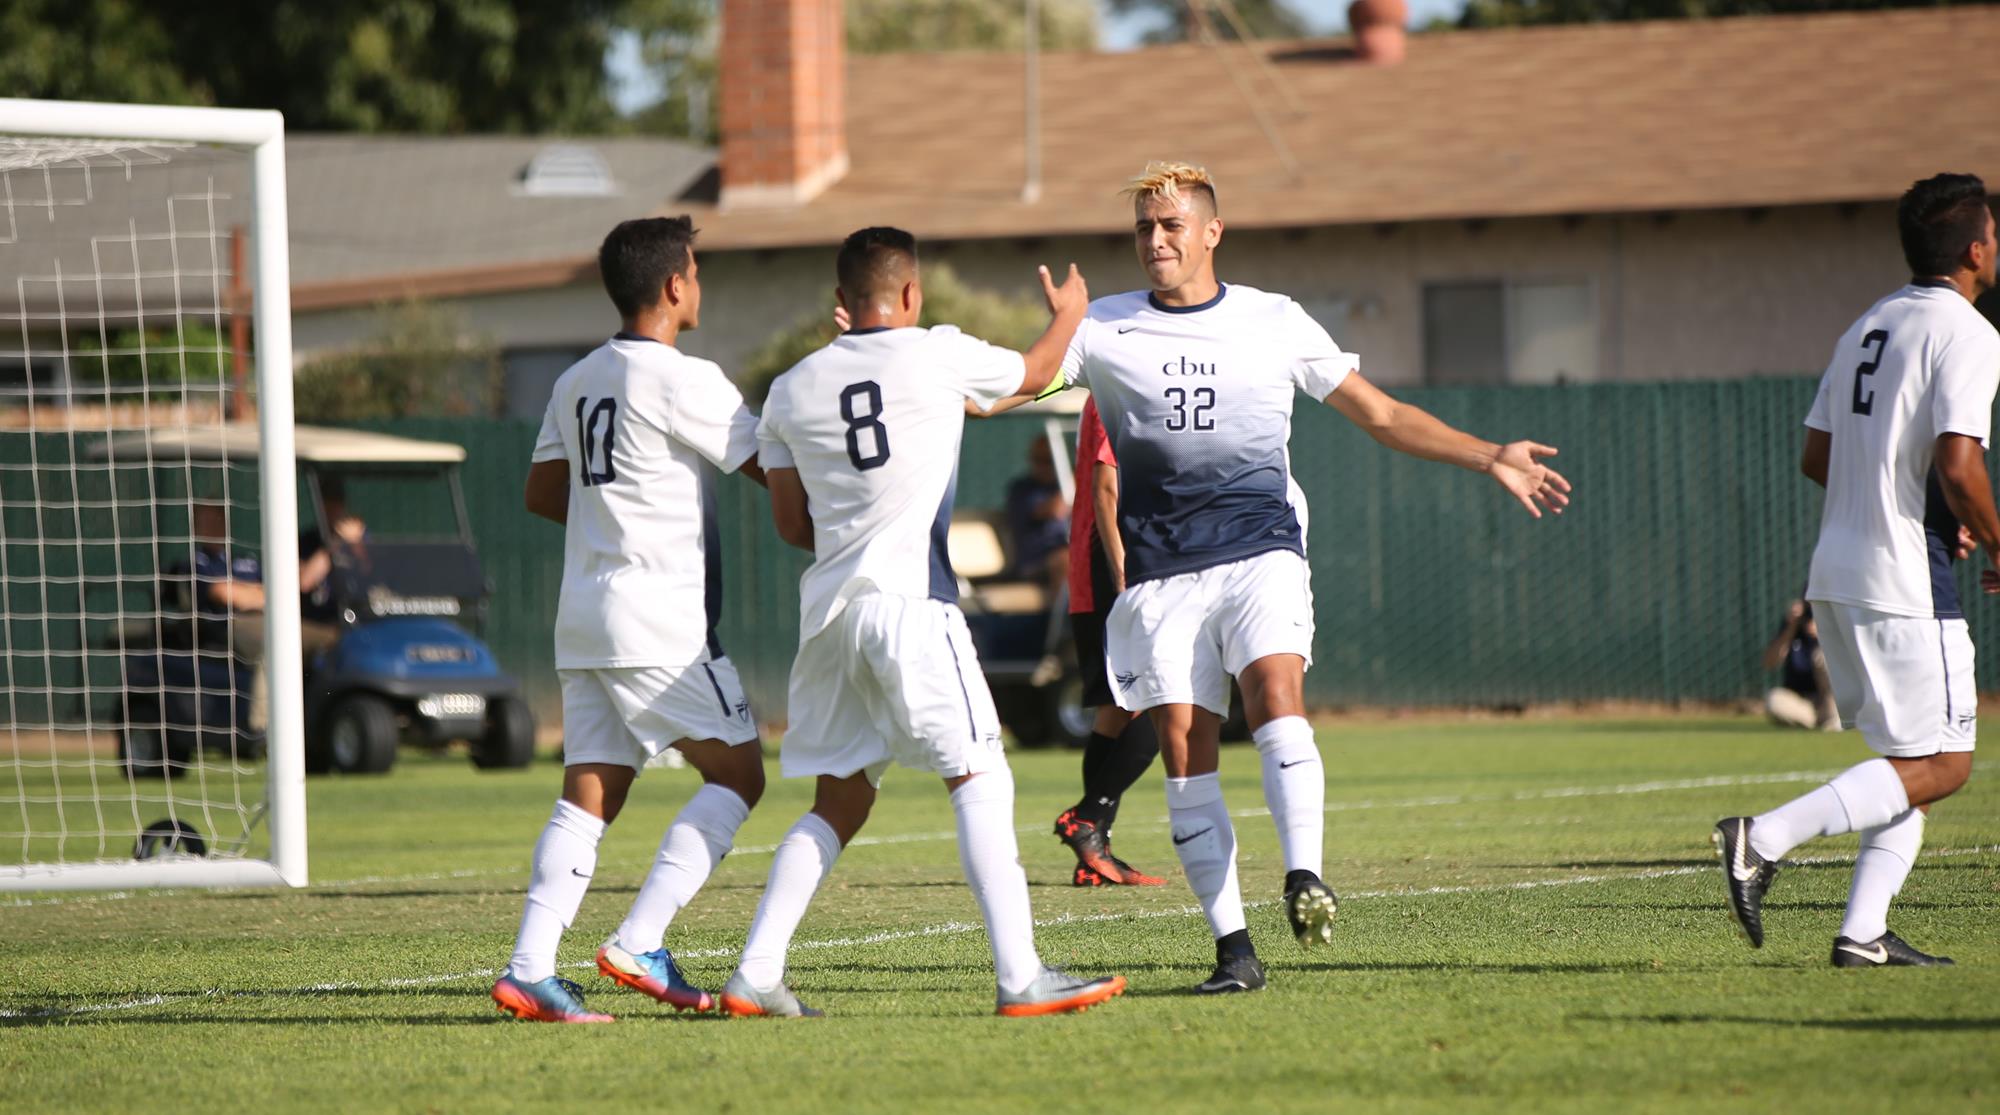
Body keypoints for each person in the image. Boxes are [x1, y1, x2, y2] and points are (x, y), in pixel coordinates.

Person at [1052, 162, 1569, 994]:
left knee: (1275, 692)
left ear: (1212, 232)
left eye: (1172, 224)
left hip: (1260, 550)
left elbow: (1382, 414)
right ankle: (1234, 950)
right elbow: (999, 390)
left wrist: (1489, 456)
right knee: (1183, 748)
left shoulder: (1273, 319)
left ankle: (1304, 874)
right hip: (1161, 573)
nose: (1156, 240)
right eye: (1144, 227)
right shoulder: (1099, 326)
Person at [720, 226, 1124, 1019]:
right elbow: (1037, 370)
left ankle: (755, 973)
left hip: (831, 616)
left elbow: (793, 524)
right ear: (911, 293)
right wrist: (1070, 311)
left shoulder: (791, 387)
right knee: (980, 775)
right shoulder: (936, 352)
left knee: (839, 801)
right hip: (912, 606)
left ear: (840, 301)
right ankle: (1021, 976)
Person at [1714, 173, 2000, 968]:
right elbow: (1959, 462)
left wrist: (1926, 508)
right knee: (1945, 764)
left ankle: (1863, 932)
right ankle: (1764, 837)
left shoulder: (1867, 324)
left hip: (1837, 570)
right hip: (1904, 577)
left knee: (1911, 763)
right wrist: (1994, 538)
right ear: (1976, 251)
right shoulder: (1968, 332)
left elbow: (1818, 456)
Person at [491, 215, 771, 1023]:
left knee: (590, 794)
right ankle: (639, 940)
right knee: (740, 776)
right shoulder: (686, 378)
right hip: (660, 621)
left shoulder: (575, 379)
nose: (700, 285)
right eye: (697, 271)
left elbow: (542, 492)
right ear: (675, 285)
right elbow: (768, 465)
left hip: (586, 615)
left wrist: (612, 516)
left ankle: (529, 968)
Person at [1050, 397, 1166, 887]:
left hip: (1100, 573)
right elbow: (1105, 486)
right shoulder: (1115, 391)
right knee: (1169, 701)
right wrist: (1122, 576)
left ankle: (1094, 852)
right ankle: (1088, 818)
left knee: (1115, 712)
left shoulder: (1121, 388)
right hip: (1112, 573)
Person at [1003, 435, 1070, 590]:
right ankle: (1066, 607)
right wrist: (1074, 481)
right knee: (1065, 559)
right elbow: (1055, 510)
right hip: (1035, 560)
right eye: (1037, 460)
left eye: (1048, 461)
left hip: (1067, 550)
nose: (1042, 466)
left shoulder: (1061, 486)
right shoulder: (1021, 489)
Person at [1761, 599, 1837, 730]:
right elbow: (1769, 662)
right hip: (1802, 700)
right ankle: (1819, 720)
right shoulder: (1793, 627)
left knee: (1822, 657)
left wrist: (1823, 633)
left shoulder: (1834, 620)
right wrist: (1790, 627)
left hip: (1830, 701)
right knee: (1774, 700)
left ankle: (1833, 717)